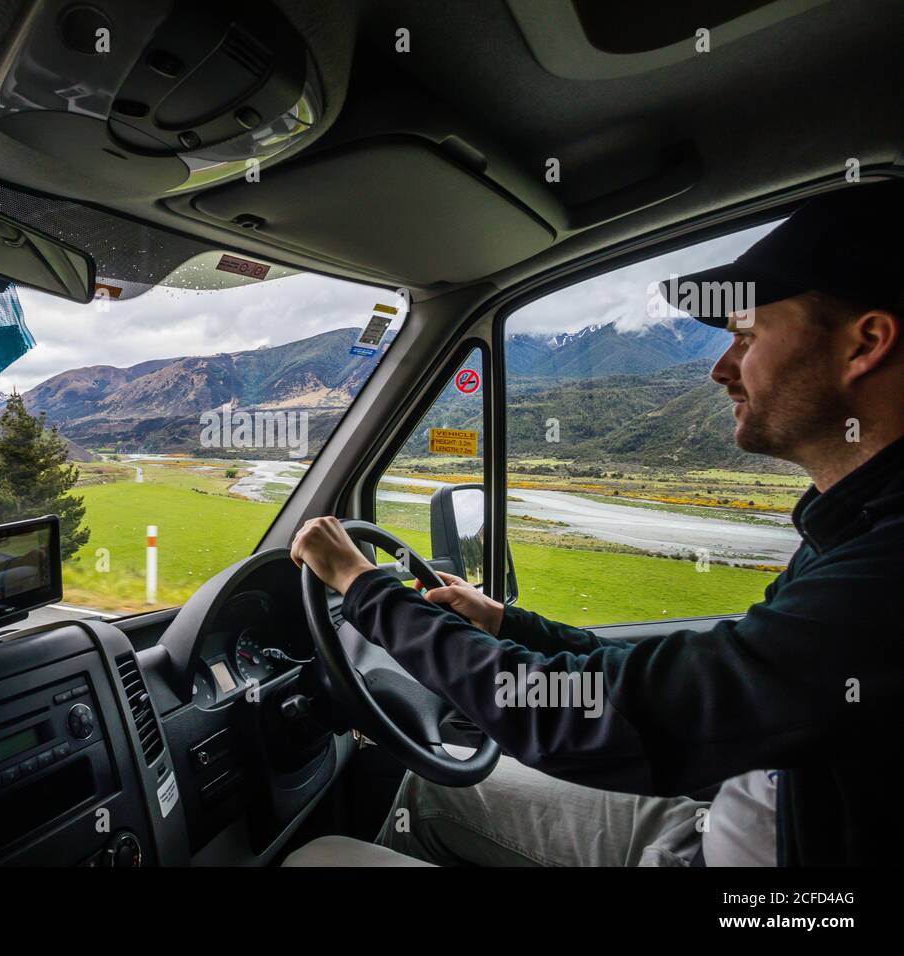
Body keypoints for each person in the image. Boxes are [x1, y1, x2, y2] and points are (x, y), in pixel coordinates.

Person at [289, 179, 904, 866]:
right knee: (430, 791)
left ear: (866, 343)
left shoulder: (885, 569)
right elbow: (695, 681)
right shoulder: (854, 531)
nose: (721, 369)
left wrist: (363, 586)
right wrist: (506, 624)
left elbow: (591, 720)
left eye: (748, 335)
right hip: (744, 817)